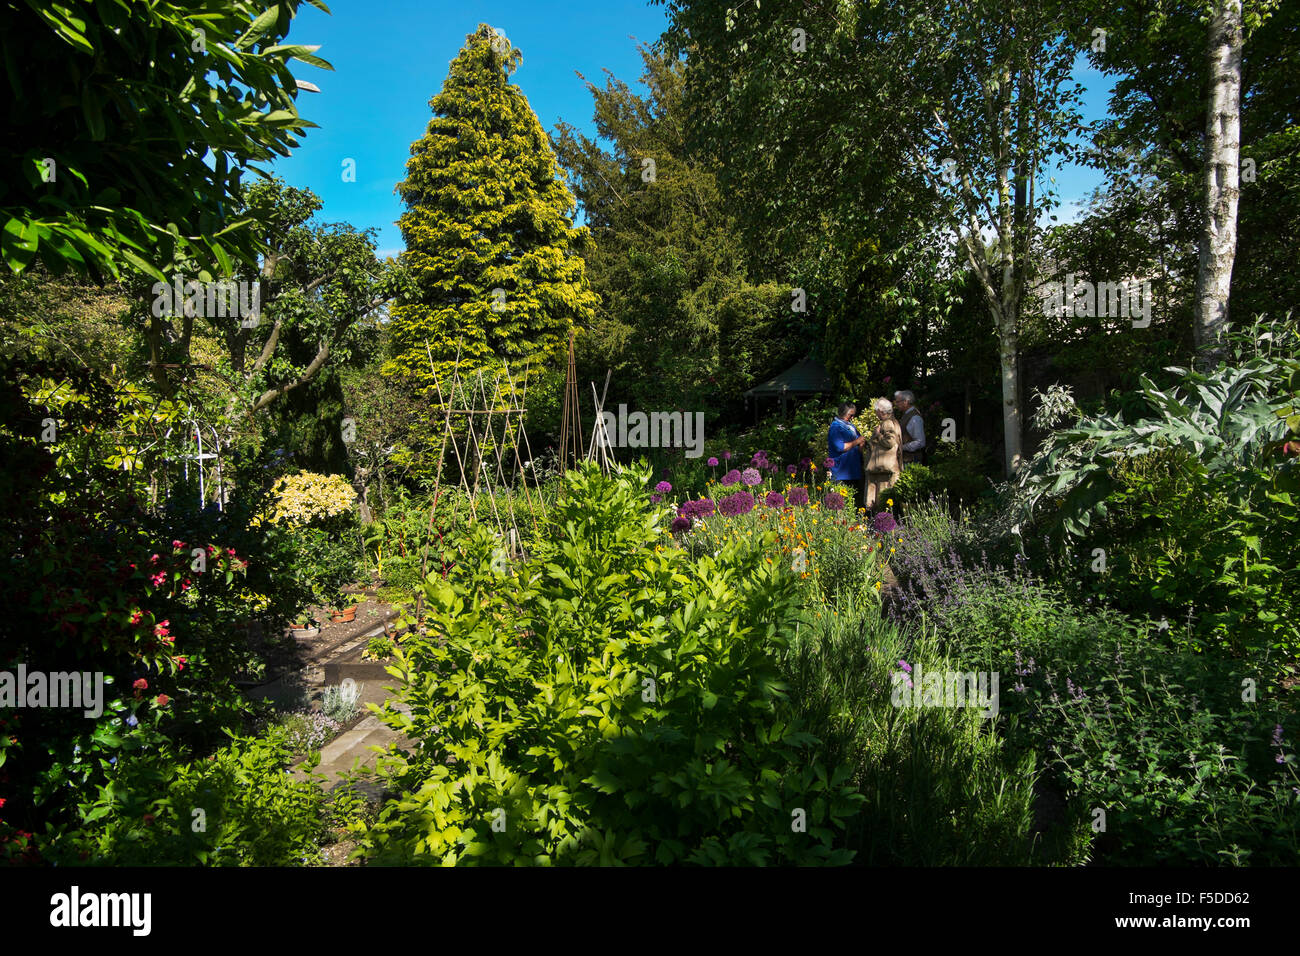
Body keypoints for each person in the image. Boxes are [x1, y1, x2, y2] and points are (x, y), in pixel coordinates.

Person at [827, 401, 866, 509]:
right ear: (843, 414)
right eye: (850, 415)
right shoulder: (836, 427)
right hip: (841, 471)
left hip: (853, 469)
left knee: (855, 501)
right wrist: (857, 442)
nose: (853, 417)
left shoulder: (850, 426)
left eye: (854, 415)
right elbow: (840, 447)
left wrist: (861, 444)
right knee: (840, 503)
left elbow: (859, 445)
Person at [865, 397, 902, 510]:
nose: (875, 413)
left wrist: (878, 435)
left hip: (883, 469)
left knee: (882, 501)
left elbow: (890, 441)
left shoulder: (887, 423)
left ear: (881, 411)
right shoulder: (894, 422)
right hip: (886, 468)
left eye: (876, 411)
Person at [893, 389, 926, 469]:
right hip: (906, 459)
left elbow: (920, 442)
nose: (896, 404)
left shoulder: (915, 417)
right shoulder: (906, 415)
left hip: (911, 460)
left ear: (906, 402)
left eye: (898, 402)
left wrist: (901, 447)